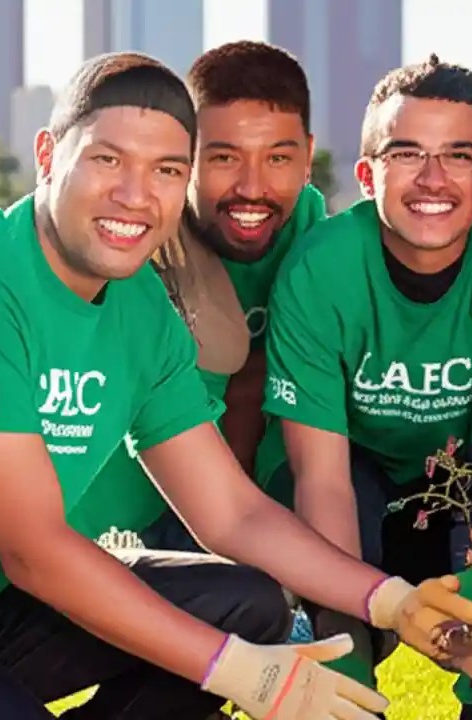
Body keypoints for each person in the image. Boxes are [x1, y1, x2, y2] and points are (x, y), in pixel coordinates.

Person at [0, 52, 472, 720]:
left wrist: (393, 601)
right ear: (47, 155)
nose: (135, 195)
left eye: (165, 170)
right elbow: (33, 550)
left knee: (248, 604)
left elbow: (232, 514)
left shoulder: (139, 306)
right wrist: (241, 672)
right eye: (108, 160)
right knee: (210, 642)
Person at [257, 55, 472, 717]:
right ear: (368, 175)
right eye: (406, 154)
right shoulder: (319, 270)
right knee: (347, 521)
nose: (433, 178)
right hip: (340, 485)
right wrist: (359, 625)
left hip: (450, 483)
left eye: (458, 156)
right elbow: (323, 480)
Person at [66, 40, 329, 549]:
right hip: (110, 517)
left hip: (238, 502)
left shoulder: (310, 229)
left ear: (307, 157)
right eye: (224, 157)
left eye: (278, 157)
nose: (252, 188)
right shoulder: (136, 238)